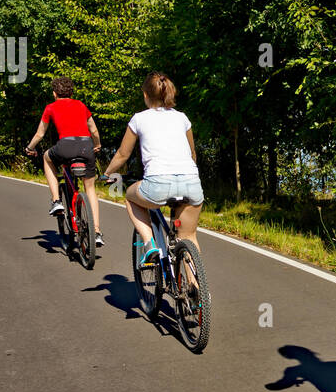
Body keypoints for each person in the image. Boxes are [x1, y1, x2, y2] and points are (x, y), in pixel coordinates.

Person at [102, 72, 204, 269]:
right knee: (189, 236)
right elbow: (193, 154)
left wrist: (107, 174)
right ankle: (198, 293)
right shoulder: (182, 118)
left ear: (146, 95)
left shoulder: (139, 119)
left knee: (131, 197)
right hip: (191, 183)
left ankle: (149, 245)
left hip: (158, 184)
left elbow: (123, 154)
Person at [24, 76, 103, 247]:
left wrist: (30, 148)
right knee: (90, 188)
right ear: (71, 92)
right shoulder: (81, 105)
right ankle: (96, 232)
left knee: (47, 157)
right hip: (86, 146)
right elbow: (94, 130)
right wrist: (97, 145)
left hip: (65, 147)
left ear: (54, 93)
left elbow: (40, 134)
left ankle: (56, 201)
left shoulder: (50, 107)